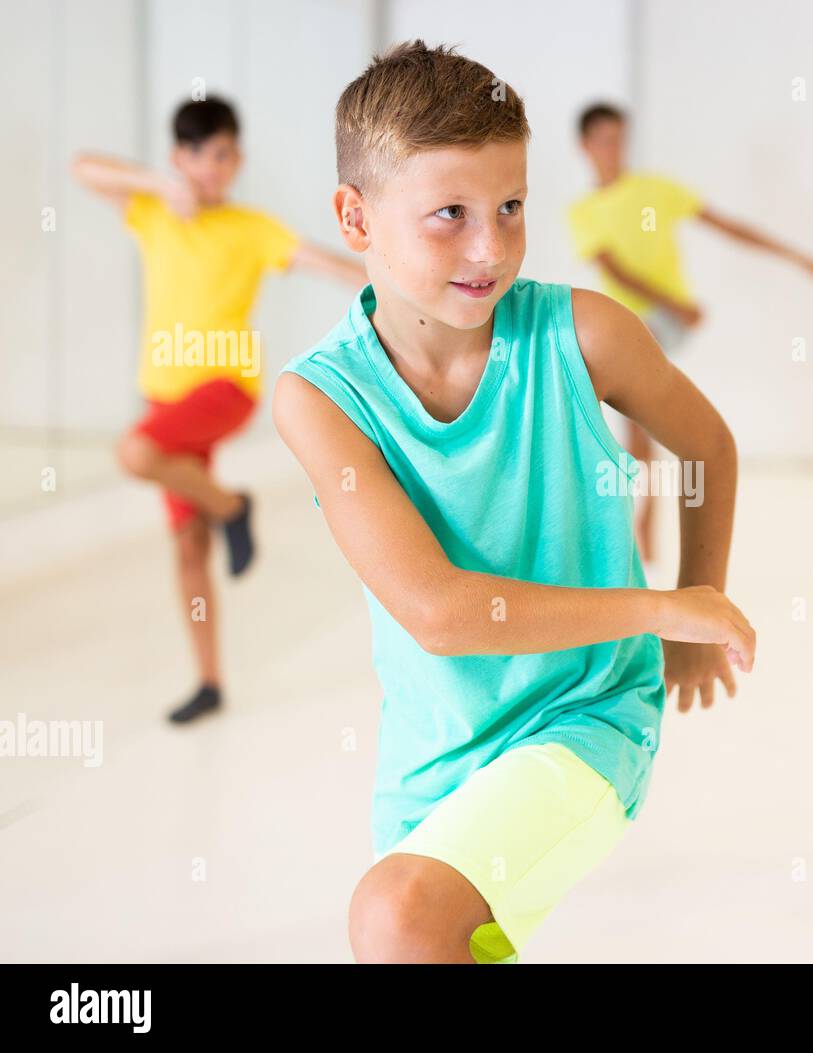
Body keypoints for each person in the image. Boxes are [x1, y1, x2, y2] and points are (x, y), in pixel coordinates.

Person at [274, 41, 756, 963]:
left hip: (588, 713)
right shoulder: (319, 398)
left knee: (396, 915)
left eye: (510, 207)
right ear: (355, 217)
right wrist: (667, 607)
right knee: (416, 924)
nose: (490, 247)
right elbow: (439, 613)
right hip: (434, 757)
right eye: (448, 214)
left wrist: (694, 609)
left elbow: (707, 445)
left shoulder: (583, 333)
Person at [71, 96, 366, 725]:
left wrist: (394, 275)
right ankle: (209, 681)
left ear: (238, 158)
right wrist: (157, 184)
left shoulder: (251, 227)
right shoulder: (152, 212)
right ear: (180, 158)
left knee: (135, 452)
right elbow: (82, 167)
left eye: (225, 154)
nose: (213, 167)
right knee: (186, 547)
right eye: (200, 155)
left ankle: (234, 506)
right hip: (165, 399)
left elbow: (327, 264)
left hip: (225, 389)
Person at [570, 101, 813, 562]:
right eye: (605, 140)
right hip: (635, 320)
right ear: (585, 147)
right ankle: (639, 523)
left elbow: (727, 226)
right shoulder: (584, 212)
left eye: (620, 138)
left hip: (657, 325)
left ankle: (642, 525)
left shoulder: (655, 189)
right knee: (632, 426)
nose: (615, 149)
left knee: (638, 427)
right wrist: (677, 306)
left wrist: (795, 257)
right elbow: (616, 271)